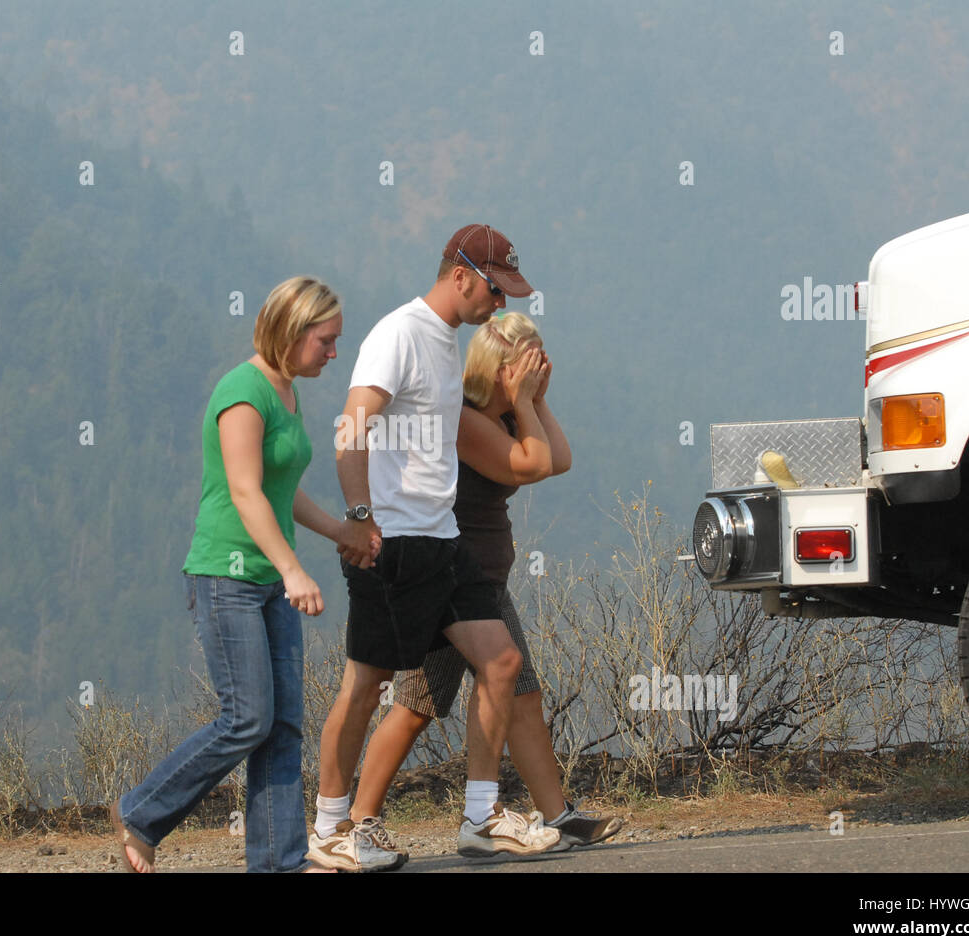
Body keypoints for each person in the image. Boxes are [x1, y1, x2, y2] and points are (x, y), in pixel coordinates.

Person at [306, 225, 562, 872]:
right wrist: (360, 517)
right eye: (494, 290)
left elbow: (533, 460)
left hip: (442, 539)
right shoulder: (398, 334)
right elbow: (349, 429)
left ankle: (480, 819)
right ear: (460, 275)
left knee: (500, 663)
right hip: (392, 543)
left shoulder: (446, 343)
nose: (499, 305)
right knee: (367, 688)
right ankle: (332, 828)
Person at [110, 276, 364, 873]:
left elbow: (281, 489)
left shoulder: (286, 390)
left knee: (281, 726)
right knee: (246, 716)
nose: (333, 354)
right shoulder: (242, 392)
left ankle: (279, 860)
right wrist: (294, 569)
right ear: (293, 331)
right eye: (326, 341)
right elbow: (247, 493)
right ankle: (141, 815)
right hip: (226, 580)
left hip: (269, 580)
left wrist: (338, 531)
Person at [352, 312, 625, 852]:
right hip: (453, 585)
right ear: (501, 368)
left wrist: (534, 401)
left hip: (484, 584)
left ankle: (557, 814)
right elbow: (531, 465)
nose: (540, 370)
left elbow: (560, 460)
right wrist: (526, 404)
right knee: (416, 706)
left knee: (521, 693)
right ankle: (363, 819)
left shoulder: (504, 415)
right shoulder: (468, 419)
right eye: (530, 363)